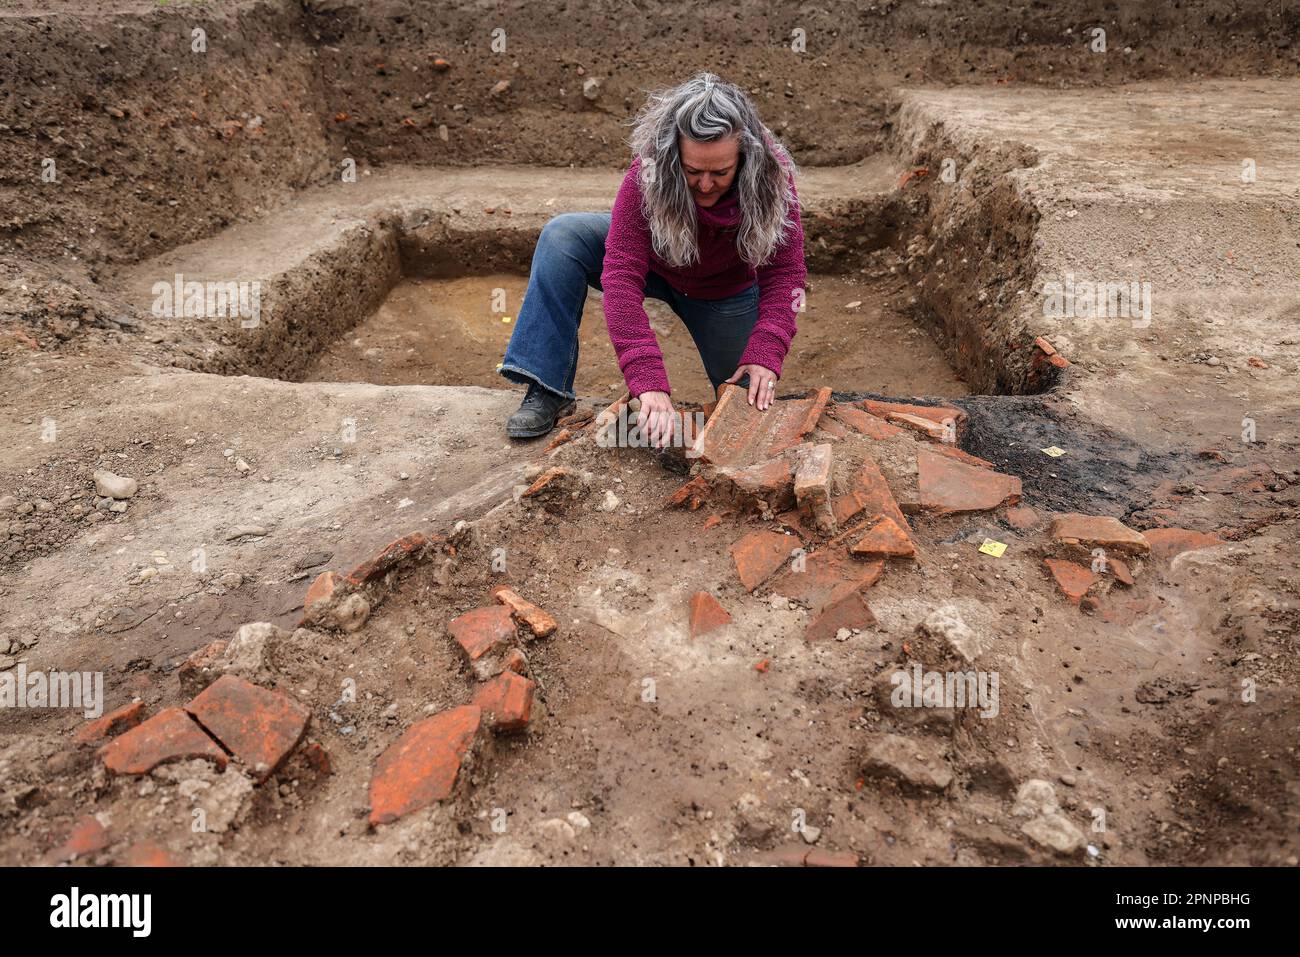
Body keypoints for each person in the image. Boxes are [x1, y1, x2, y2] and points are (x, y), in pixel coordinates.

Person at [498, 71, 807, 447]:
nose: (705, 185)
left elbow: (786, 272)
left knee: (742, 405)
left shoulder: (772, 175)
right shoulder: (650, 170)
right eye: (693, 171)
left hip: (725, 290)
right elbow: (621, 272)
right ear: (674, 153)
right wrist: (646, 379)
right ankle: (547, 386)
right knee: (563, 236)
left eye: (720, 172)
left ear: (745, 154)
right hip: (657, 266)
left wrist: (766, 351)